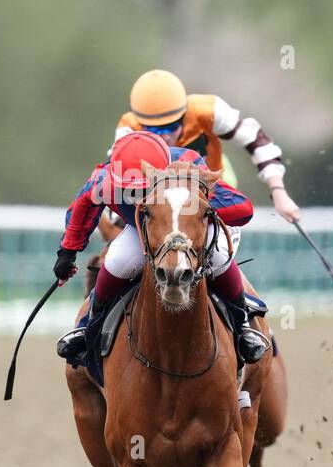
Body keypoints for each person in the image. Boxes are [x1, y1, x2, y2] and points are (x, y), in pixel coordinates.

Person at [54, 131, 270, 365]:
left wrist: (194, 204)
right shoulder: (102, 180)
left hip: (192, 225)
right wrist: (68, 251)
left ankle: (243, 326)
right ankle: (87, 327)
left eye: (143, 189)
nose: (135, 195)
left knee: (218, 257)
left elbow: (243, 209)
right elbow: (84, 206)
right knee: (116, 262)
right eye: (128, 189)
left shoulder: (190, 164)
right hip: (146, 227)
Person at [117, 69, 303, 224]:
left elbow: (255, 140)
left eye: (172, 126)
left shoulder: (208, 110)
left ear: (184, 113)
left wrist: (279, 192)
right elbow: (118, 181)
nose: (165, 136)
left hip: (213, 181)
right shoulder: (128, 129)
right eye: (155, 129)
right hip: (162, 199)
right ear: (140, 124)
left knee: (217, 251)